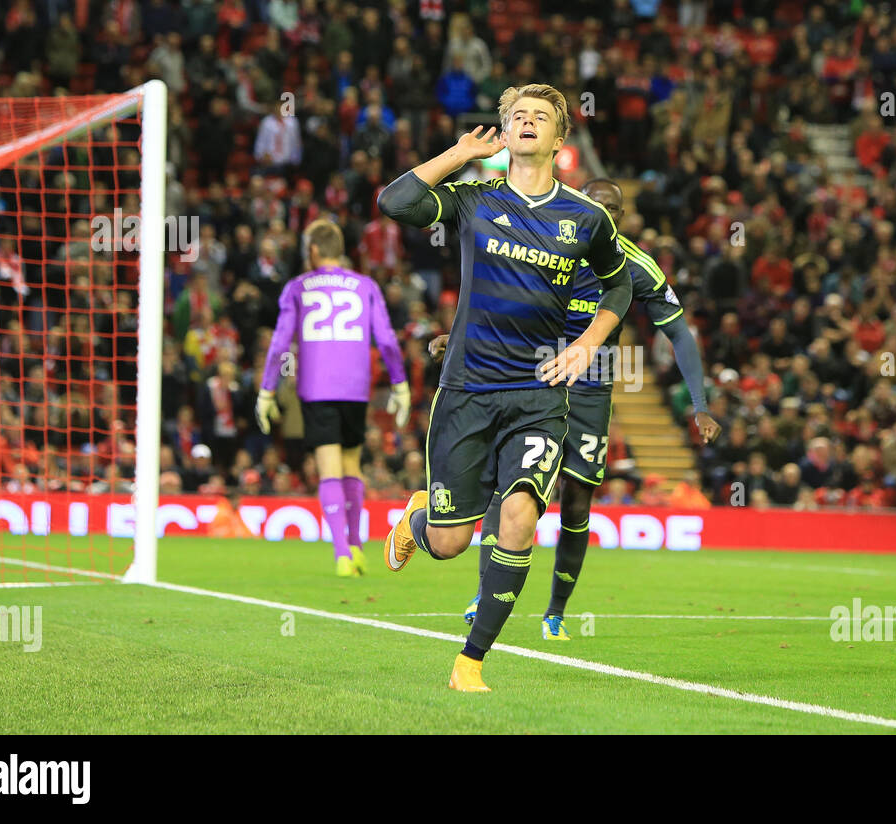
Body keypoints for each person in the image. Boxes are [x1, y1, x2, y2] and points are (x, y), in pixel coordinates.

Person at [377, 84, 631, 691]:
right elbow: (395, 202)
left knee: (518, 513)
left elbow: (619, 288)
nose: (526, 122)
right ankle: (419, 522)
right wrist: (455, 155)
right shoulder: (473, 199)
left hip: (539, 395)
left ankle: (471, 662)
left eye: (540, 116)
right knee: (449, 543)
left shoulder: (586, 218)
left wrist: (588, 344)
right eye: (517, 115)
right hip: (466, 391)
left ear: (559, 139)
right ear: (505, 131)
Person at [430, 177, 721, 641]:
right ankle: (486, 593)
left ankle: (555, 611)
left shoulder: (634, 264)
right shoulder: (546, 236)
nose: (602, 212)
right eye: (595, 203)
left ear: (619, 219)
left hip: (589, 392)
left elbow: (681, 332)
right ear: (582, 205)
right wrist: (462, 339)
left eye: (612, 209)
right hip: (532, 379)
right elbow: (501, 300)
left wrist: (700, 405)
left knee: (578, 500)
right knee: (507, 486)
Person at [255, 219, 410, 577]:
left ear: (312, 250)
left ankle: (342, 554)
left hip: (318, 388)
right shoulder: (365, 285)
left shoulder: (297, 287)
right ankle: (356, 545)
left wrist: (267, 389)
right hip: (355, 389)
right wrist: (400, 383)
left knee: (328, 469)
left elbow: (280, 343)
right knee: (352, 466)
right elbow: (386, 339)